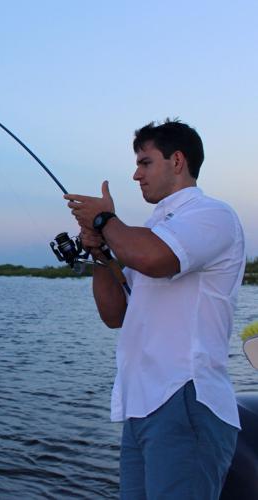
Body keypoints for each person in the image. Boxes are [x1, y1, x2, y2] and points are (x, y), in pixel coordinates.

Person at [63, 119, 246, 499]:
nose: (136, 175)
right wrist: (100, 253)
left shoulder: (212, 215)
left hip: (186, 398)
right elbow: (115, 315)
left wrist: (104, 219)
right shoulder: (154, 230)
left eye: (145, 163)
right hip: (141, 406)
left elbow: (154, 259)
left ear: (177, 161)